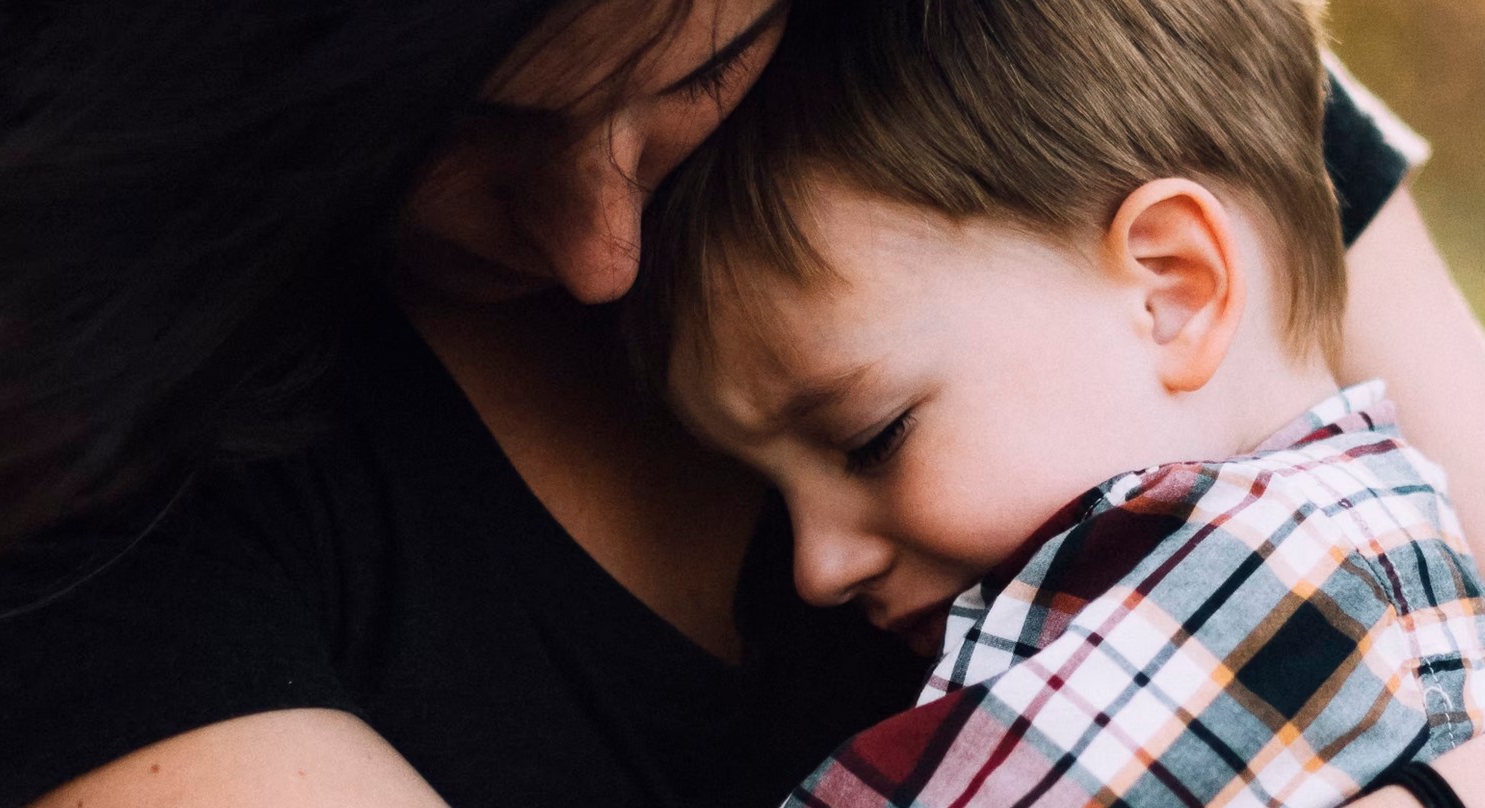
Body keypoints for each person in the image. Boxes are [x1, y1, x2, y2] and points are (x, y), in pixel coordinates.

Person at [0, 0, 1481, 806]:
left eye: (699, 65)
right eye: (452, 132)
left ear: (1170, 277)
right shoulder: (89, 492)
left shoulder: (1067, 96)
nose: (600, 253)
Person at [629, 0, 1485, 804]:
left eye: (872, 440)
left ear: (1172, 291)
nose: (816, 569)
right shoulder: (1361, 532)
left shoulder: (1249, 588)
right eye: (773, 491)